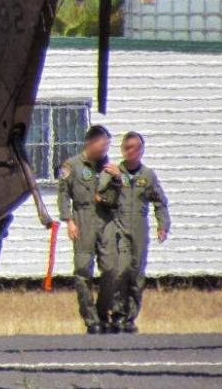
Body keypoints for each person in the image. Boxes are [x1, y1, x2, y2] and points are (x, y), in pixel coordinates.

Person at [95, 131, 170, 333]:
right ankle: (117, 313)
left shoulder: (147, 176)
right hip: (119, 227)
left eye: (133, 148)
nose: (129, 152)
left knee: (136, 275)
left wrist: (163, 225)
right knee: (121, 270)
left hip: (139, 228)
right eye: (125, 148)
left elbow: (160, 202)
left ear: (141, 150)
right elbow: (99, 193)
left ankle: (130, 317)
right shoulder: (113, 171)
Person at [57, 124, 116, 334]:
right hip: (82, 218)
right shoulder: (72, 166)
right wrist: (69, 221)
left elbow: (129, 188)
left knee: (111, 269)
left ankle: (102, 312)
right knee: (83, 271)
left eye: (108, 146)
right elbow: (63, 194)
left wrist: (120, 177)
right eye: (103, 145)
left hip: (105, 219)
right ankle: (91, 319)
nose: (106, 150)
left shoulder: (110, 168)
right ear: (91, 142)